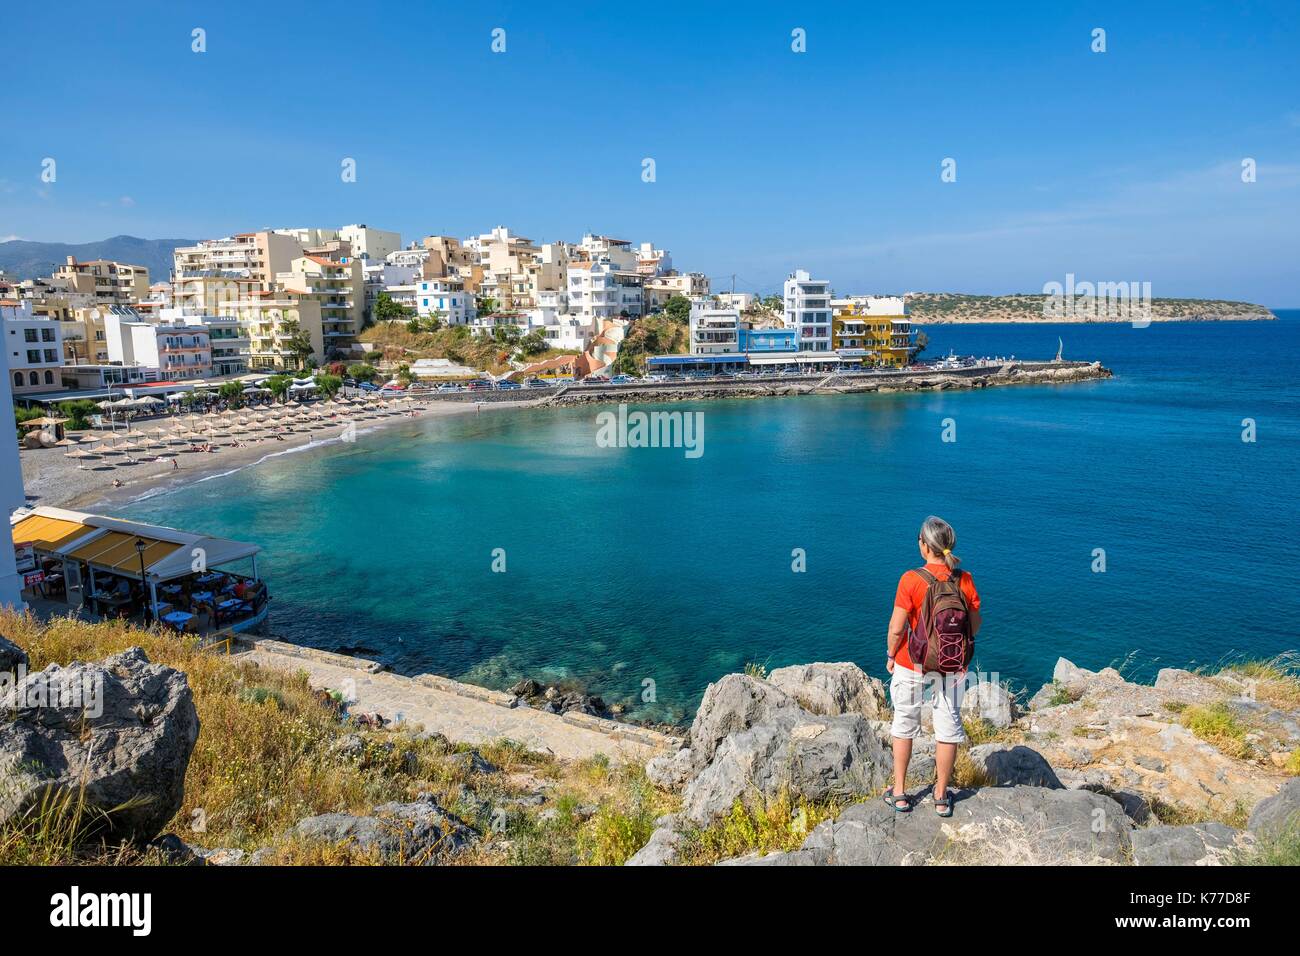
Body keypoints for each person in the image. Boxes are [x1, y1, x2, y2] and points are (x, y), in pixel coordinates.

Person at [884, 516, 981, 817]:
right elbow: (974, 626)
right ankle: (940, 796)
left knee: (905, 723)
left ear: (924, 546)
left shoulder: (911, 579)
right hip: (951, 665)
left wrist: (890, 654)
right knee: (948, 725)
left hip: (911, 663)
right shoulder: (964, 579)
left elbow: (897, 628)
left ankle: (900, 793)